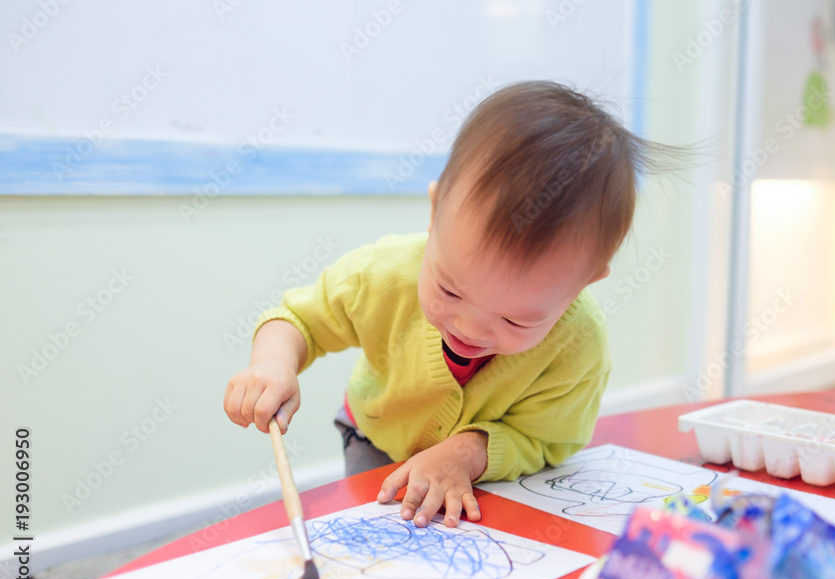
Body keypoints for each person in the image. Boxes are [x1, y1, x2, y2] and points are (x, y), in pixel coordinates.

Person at [223, 80, 687, 529]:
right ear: (433, 213)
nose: (471, 328)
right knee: (376, 533)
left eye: (516, 319)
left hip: (488, 468)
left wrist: (465, 453)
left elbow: (547, 441)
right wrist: (271, 363)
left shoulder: (577, 345)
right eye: (449, 290)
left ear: (586, 282)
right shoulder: (383, 273)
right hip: (378, 438)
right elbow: (300, 319)